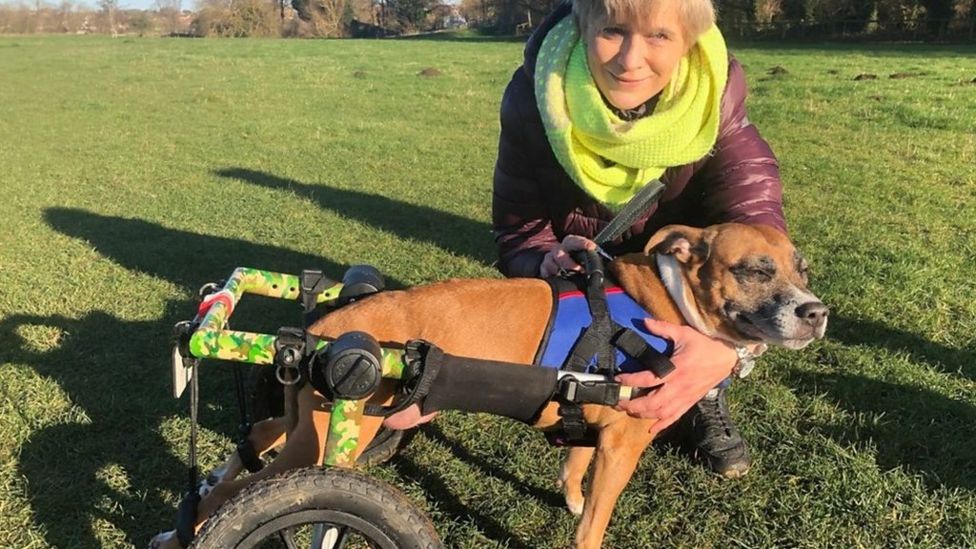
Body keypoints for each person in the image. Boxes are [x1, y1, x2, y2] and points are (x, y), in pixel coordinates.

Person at [491, 0, 786, 478]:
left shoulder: (714, 95)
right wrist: (543, 257)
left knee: (712, 286)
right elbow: (520, 230)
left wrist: (725, 352)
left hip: (680, 274)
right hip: (588, 269)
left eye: (659, 36)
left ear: (688, 42)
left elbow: (755, 222)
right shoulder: (535, 95)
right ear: (582, 27)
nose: (630, 60)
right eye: (612, 31)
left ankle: (704, 394)